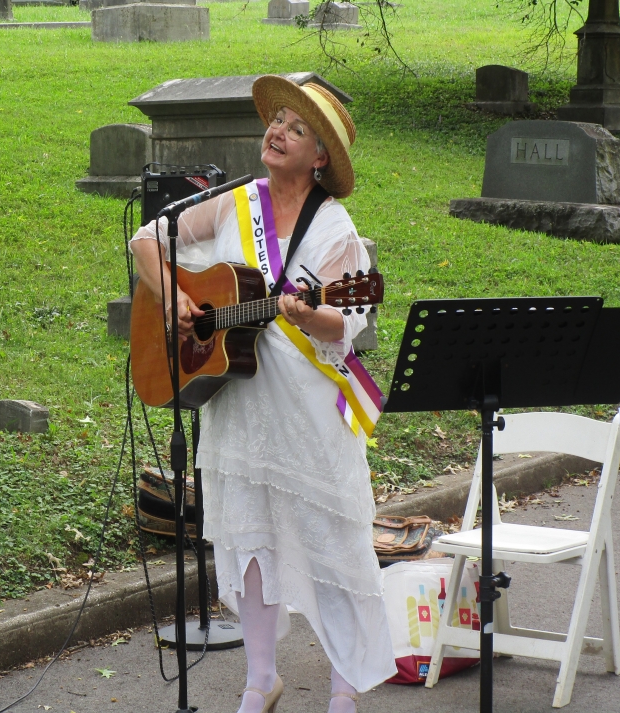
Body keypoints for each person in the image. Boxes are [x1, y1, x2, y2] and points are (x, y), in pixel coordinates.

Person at [130, 75, 395, 713]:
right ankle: (260, 680)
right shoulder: (233, 202)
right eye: (277, 120)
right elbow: (146, 241)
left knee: (332, 543)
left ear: (320, 157)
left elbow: (342, 323)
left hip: (307, 410)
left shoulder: (334, 227)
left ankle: (344, 687)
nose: (278, 132)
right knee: (248, 541)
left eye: (297, 129)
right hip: (239, 405)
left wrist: (308, 314)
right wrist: (178, 299)